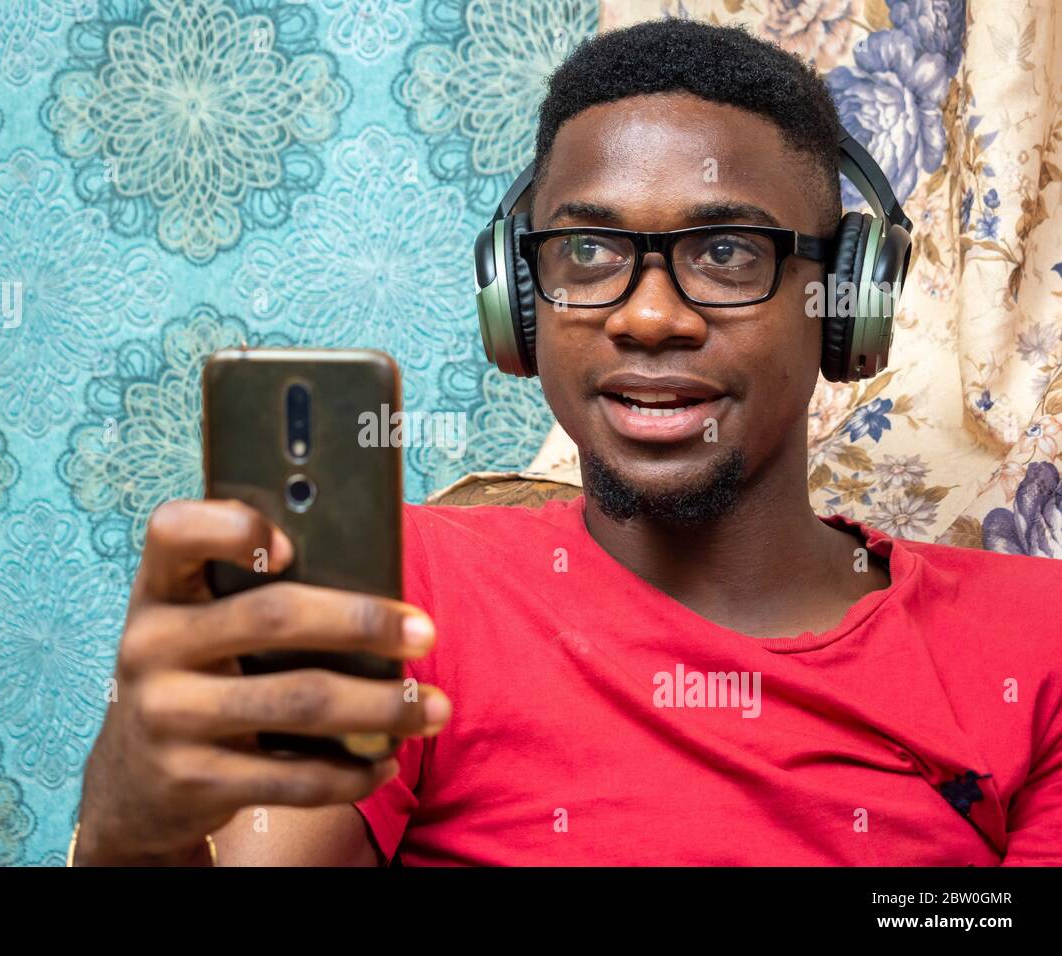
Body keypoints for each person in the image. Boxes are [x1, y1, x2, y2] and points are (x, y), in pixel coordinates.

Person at [72, 19, 1062, 866]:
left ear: (844, 300)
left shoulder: (1034, 639)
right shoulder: (394, 584)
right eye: (586, 252)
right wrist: (131, 822)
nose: (647, 317)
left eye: (725, 252)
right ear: (519, 302)